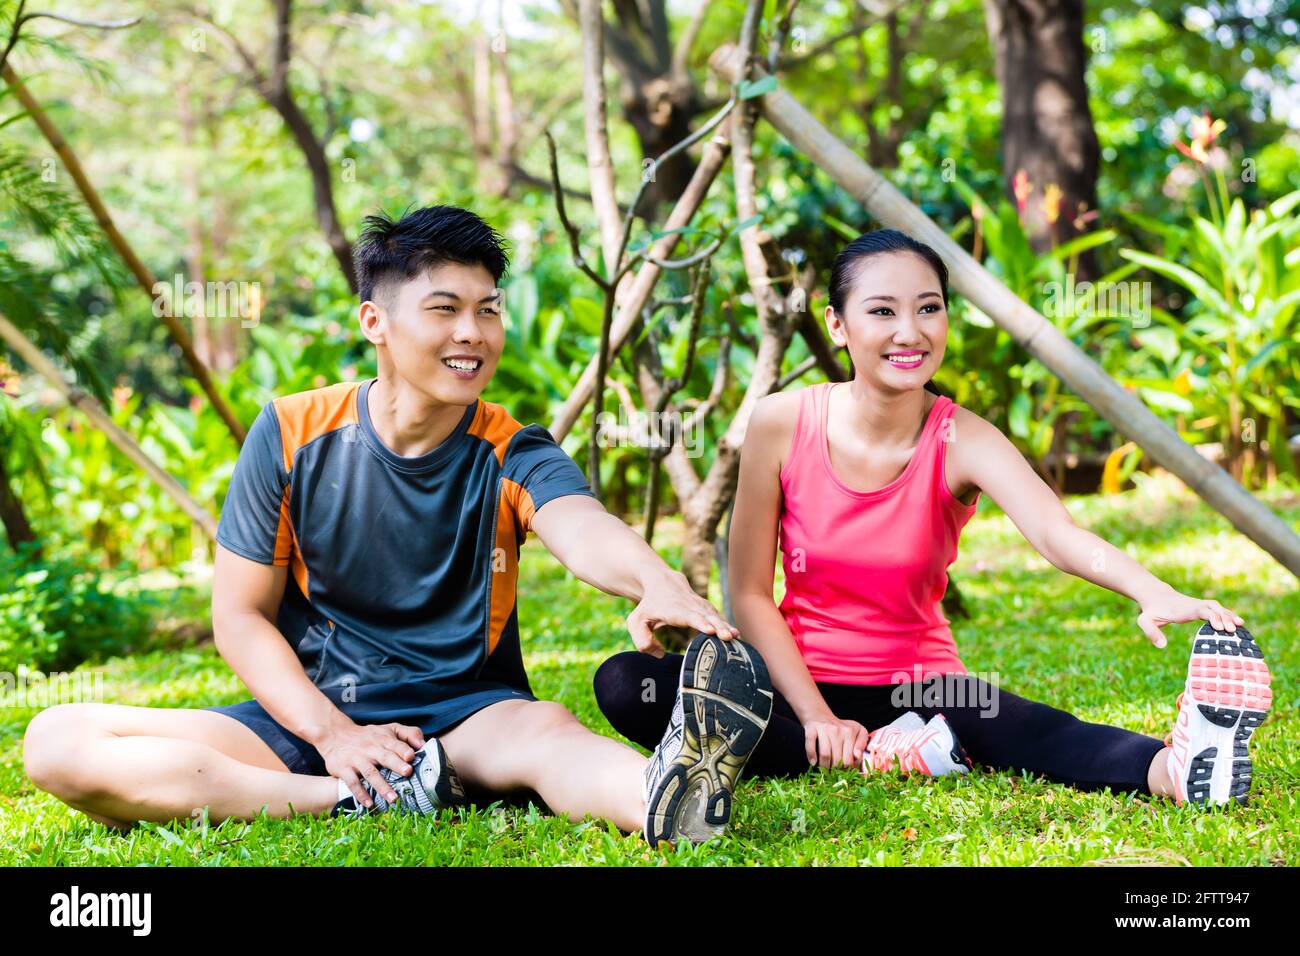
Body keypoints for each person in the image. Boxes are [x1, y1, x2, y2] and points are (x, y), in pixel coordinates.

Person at [22, 204, 774, 846]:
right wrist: (331, 735)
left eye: (489, 309)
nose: (473, 333)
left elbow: (579, 524)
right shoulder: (290, 432)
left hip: (466, 718)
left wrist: (653, 579)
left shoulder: (511, 448)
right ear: (374, 322)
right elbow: (239, 616)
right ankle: (358, 797)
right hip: (311, 717)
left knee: (551, 737)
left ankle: (663, 800)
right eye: (445, 309)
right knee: (58, 744)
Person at [595, 228, 1272, 807]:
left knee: (1017, 727)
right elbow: (748, 591)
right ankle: (879, 751)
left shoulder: (963, 438)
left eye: (929, 309)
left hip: (924, 686)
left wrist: (1153, 592)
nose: (910, 332)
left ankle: (1175, 768)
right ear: (838, 324)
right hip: (795, 683)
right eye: (883, 311)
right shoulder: (780, 422)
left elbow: (1059, 534)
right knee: (627, 683)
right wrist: (819, 717)